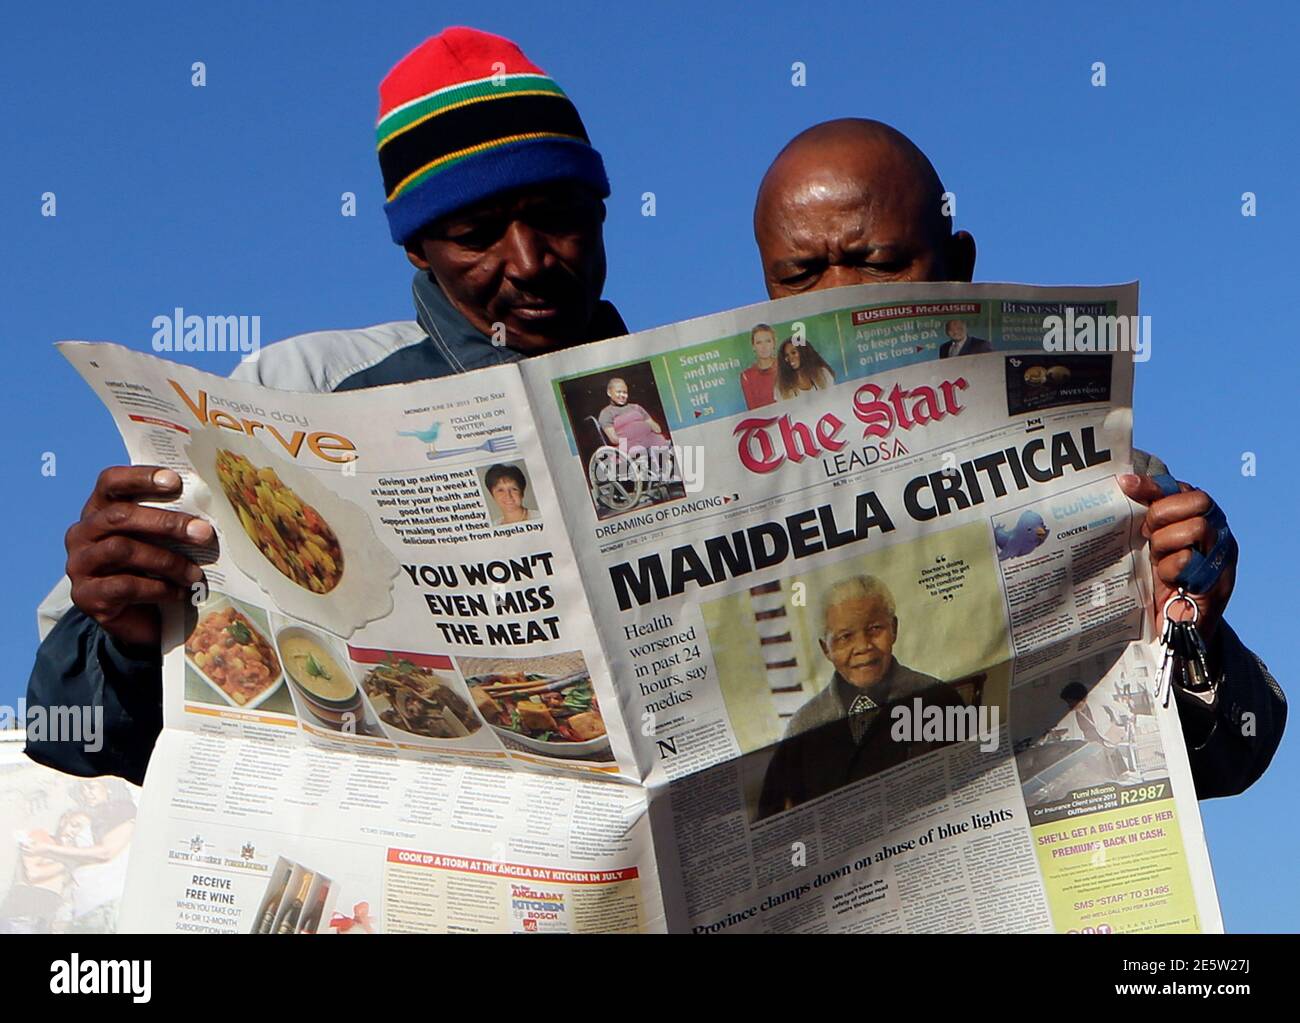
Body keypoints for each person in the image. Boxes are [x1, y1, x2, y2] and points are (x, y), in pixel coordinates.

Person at [27, 27, 626, 784]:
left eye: (559, 215)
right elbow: (76, 733)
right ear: (417, 248)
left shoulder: (680, 403)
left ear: (603, 205)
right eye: (476, 234)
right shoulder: (296, 393)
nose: (531, 261)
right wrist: (123, 632)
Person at [753, 117, 1284, 799]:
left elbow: (1241, 748)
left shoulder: (1098, 477)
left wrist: (1196, 631)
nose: (839, 297)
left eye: (879, 263)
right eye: (798, 275)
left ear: (959, 269)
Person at [757, 575, 966, 819]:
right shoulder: (803, 726)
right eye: (845, 637)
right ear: (826, 649)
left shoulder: (938, 698)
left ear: (894, 629)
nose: (863, 646)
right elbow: (770, 817)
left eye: (874, 629)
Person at [740, 324, 780, 408]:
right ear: (753, 347)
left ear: (774, 343)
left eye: (768, 341)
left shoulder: (784, 366)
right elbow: (753, 410)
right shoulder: (747, 376)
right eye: (759, 343)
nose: (764, 347)